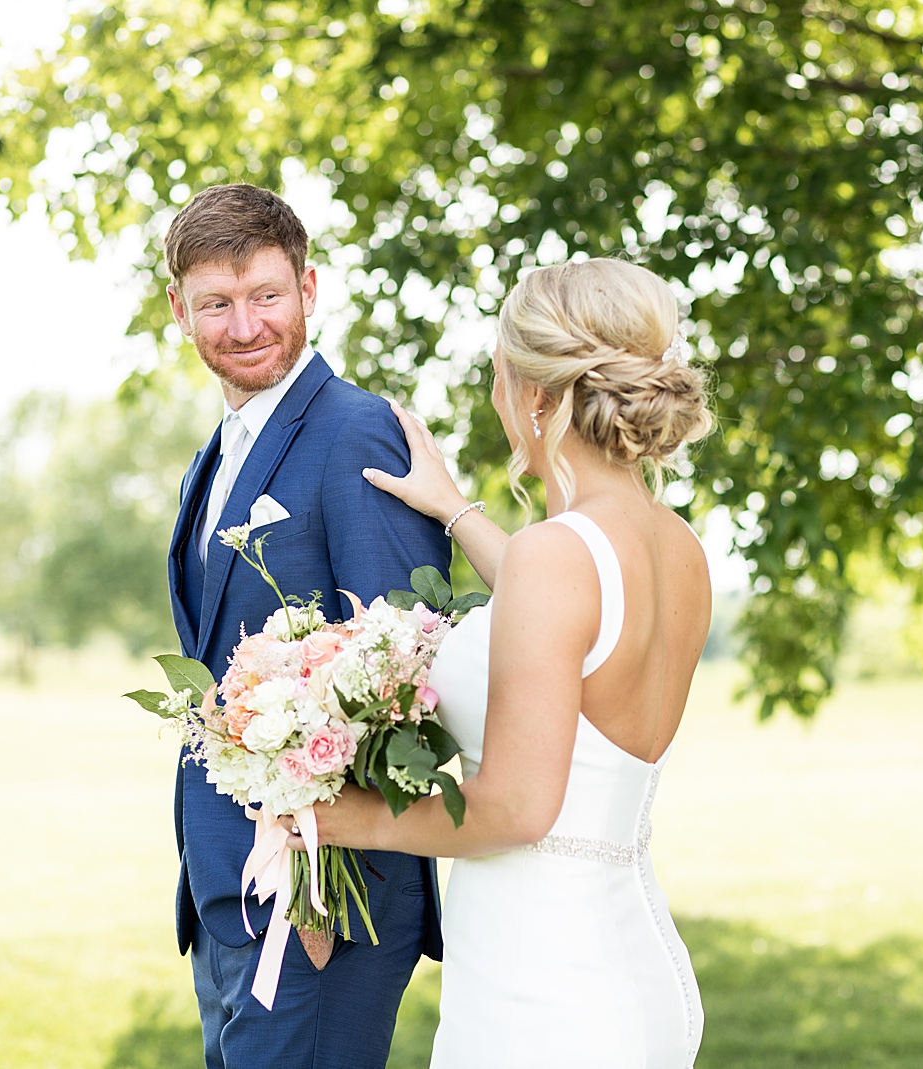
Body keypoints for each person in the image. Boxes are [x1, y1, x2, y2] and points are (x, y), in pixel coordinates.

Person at [293, 257, 715, 1067]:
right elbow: (557, 611)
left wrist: (341, 817)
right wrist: (453, 509)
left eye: (496, 373)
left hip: (544, 988)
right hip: (624, 959)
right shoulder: (676, 547)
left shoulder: (558, 557)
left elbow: (519, 807)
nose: (495, 397)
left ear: (537, 394)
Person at [162, 183, 449, 1069]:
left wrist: (323, 893)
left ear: (310, 289)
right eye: (216, 302)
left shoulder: (358, 430)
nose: (244, 325)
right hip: (229, 884)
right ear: (180, 310)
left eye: (266, 296)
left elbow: (405, 668)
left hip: (325, 900)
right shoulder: (214, 458)